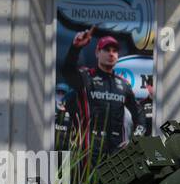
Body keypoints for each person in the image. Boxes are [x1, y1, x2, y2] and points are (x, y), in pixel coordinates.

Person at [60, 30, 144, 173]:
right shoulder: (85, 78)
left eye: (115, 51)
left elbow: (139, 114)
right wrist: (76, 48)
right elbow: (68, 72)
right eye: (106, 50)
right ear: (97, 53)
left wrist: (136, 138)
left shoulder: (123, 85)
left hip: (116, 151)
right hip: (88, 149)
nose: (111, 54)